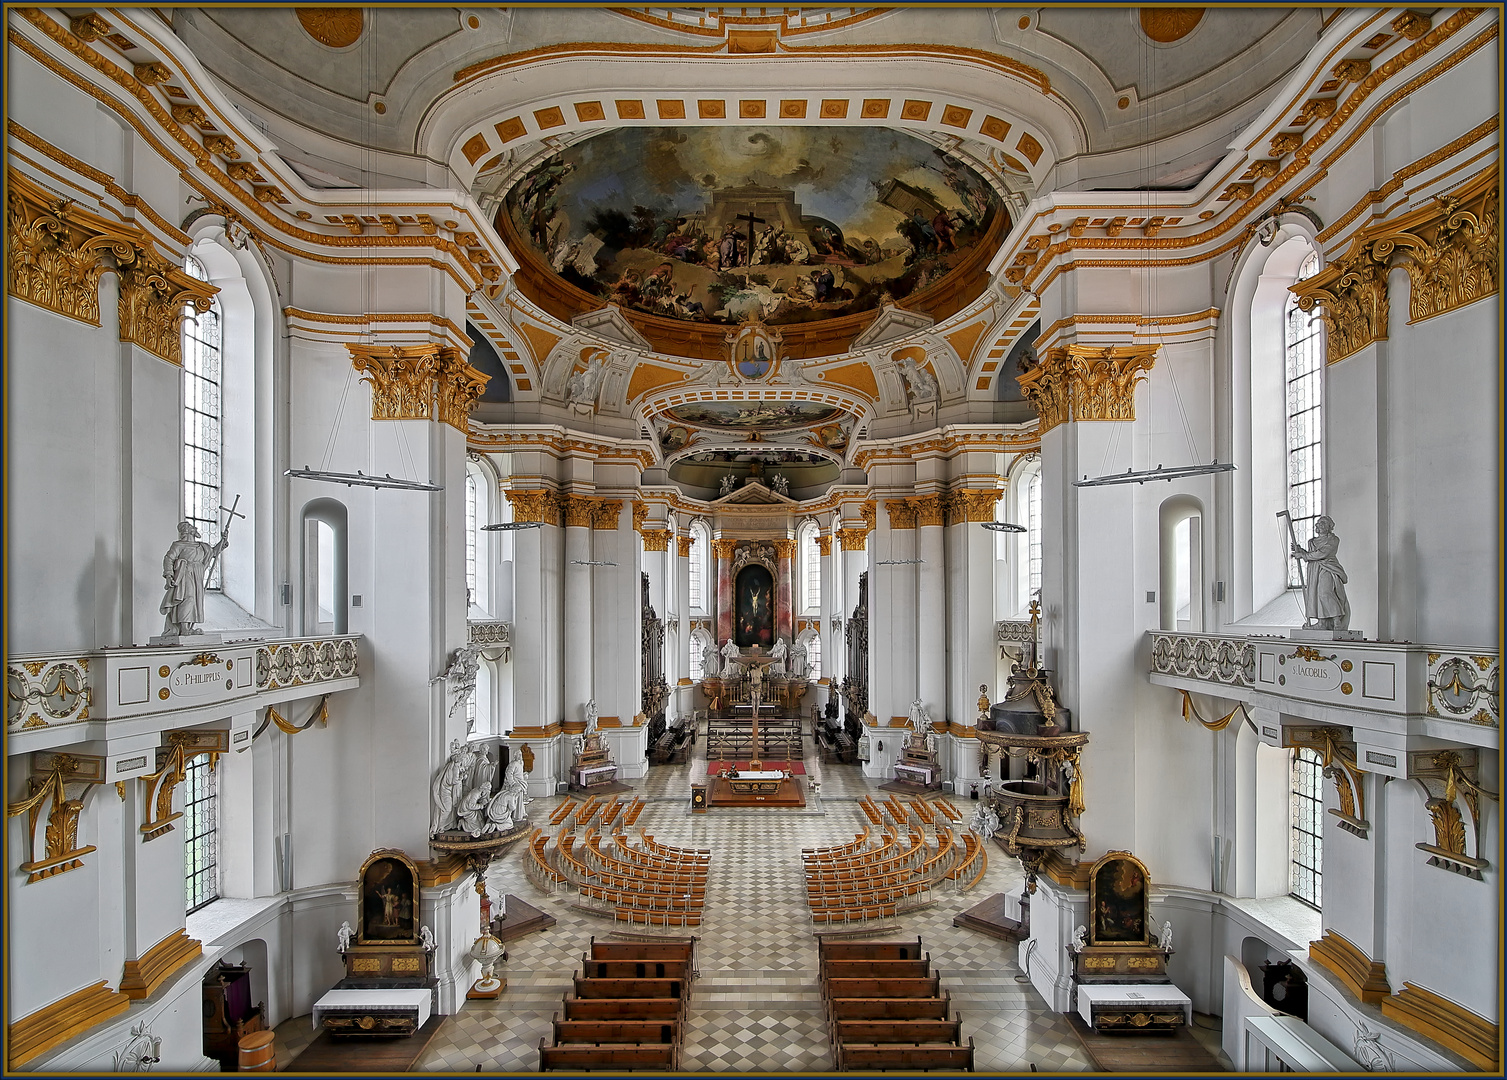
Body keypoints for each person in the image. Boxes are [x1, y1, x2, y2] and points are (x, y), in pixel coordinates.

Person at [159, 520, 230, 637]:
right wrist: (168, 575)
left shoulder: (202, 546)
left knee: (195, 601)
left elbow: (213, 553)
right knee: (188, 598)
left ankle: (189, 627)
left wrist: (223, 541)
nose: (195, 529)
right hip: (185, 573)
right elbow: (168, 559)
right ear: (187, 531)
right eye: (192, 528)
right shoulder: (178, 545)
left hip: (198, 574)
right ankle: (184, 628)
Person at [1291, 515, 1351, 630]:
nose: (1319, 525)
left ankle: (1336, 621)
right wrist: (1300, 550)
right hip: (1314, 570)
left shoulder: (1333, 539)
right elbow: (1313, 554)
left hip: (1328, 568)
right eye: (1318, 523)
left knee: (1325, 592)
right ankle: (1322, 623)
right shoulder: (1312, 541)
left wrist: (1304, 555)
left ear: (1329, 526)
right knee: (1316, 595)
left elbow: (1322, 553)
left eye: (1323, 523)